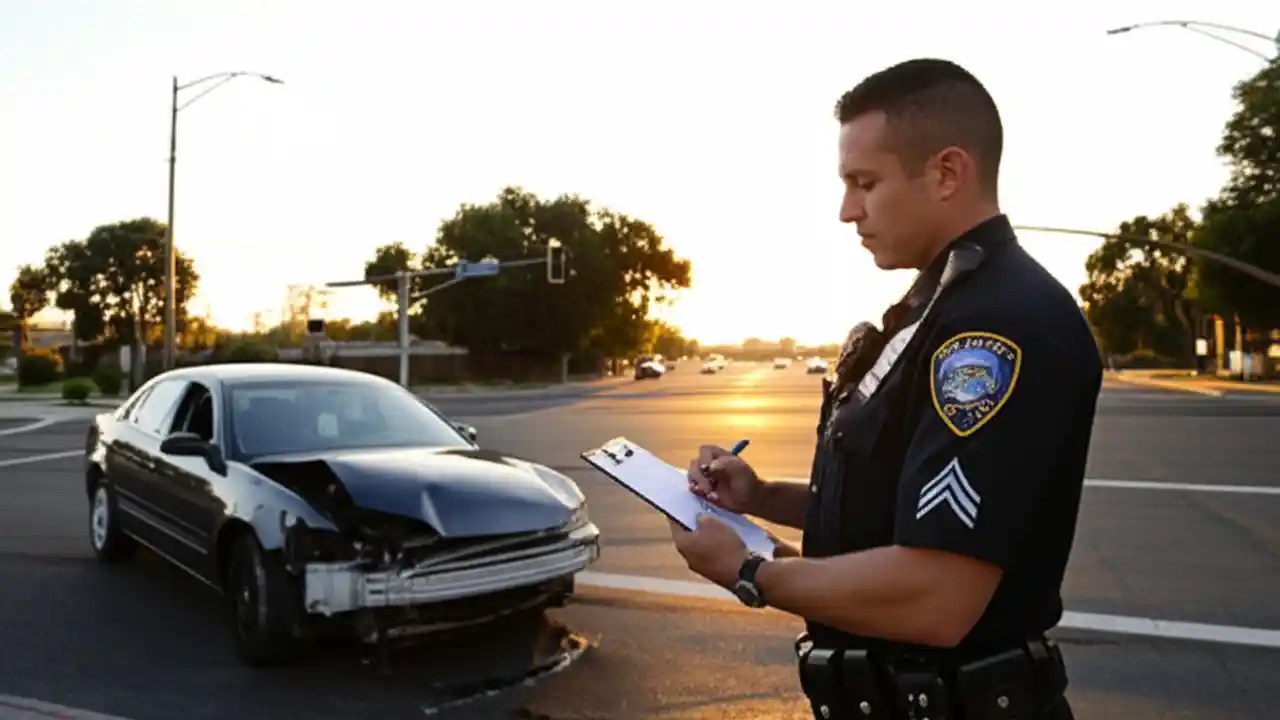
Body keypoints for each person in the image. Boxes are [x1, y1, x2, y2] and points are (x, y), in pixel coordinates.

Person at [669, 57, 1102, 720]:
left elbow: (937, 595)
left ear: (947, 172)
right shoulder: (936, 308)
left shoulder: (996, 327)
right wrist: (761, 497)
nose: (847, 211)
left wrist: (749, 571)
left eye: (864, 183)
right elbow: (898, 510)